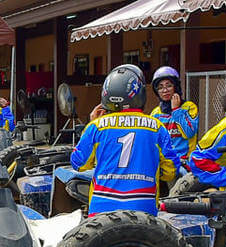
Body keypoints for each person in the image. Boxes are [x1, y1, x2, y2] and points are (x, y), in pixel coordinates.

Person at [70, 64, 179, 215]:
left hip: (101, 208)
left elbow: (78, 163)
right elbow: (170, 171)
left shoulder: (96, 127)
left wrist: (90, 125)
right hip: (143, 207)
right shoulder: (157, 127)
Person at [150, 66, 198, 158]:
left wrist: (176, 110)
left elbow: (189, 133)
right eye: (160, 87)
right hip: (165, 161)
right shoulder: (155, 113)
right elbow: (153, 141)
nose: (165, 90)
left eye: (169, 86)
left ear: (176, 87)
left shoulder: (189, 107)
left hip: (185, 160)